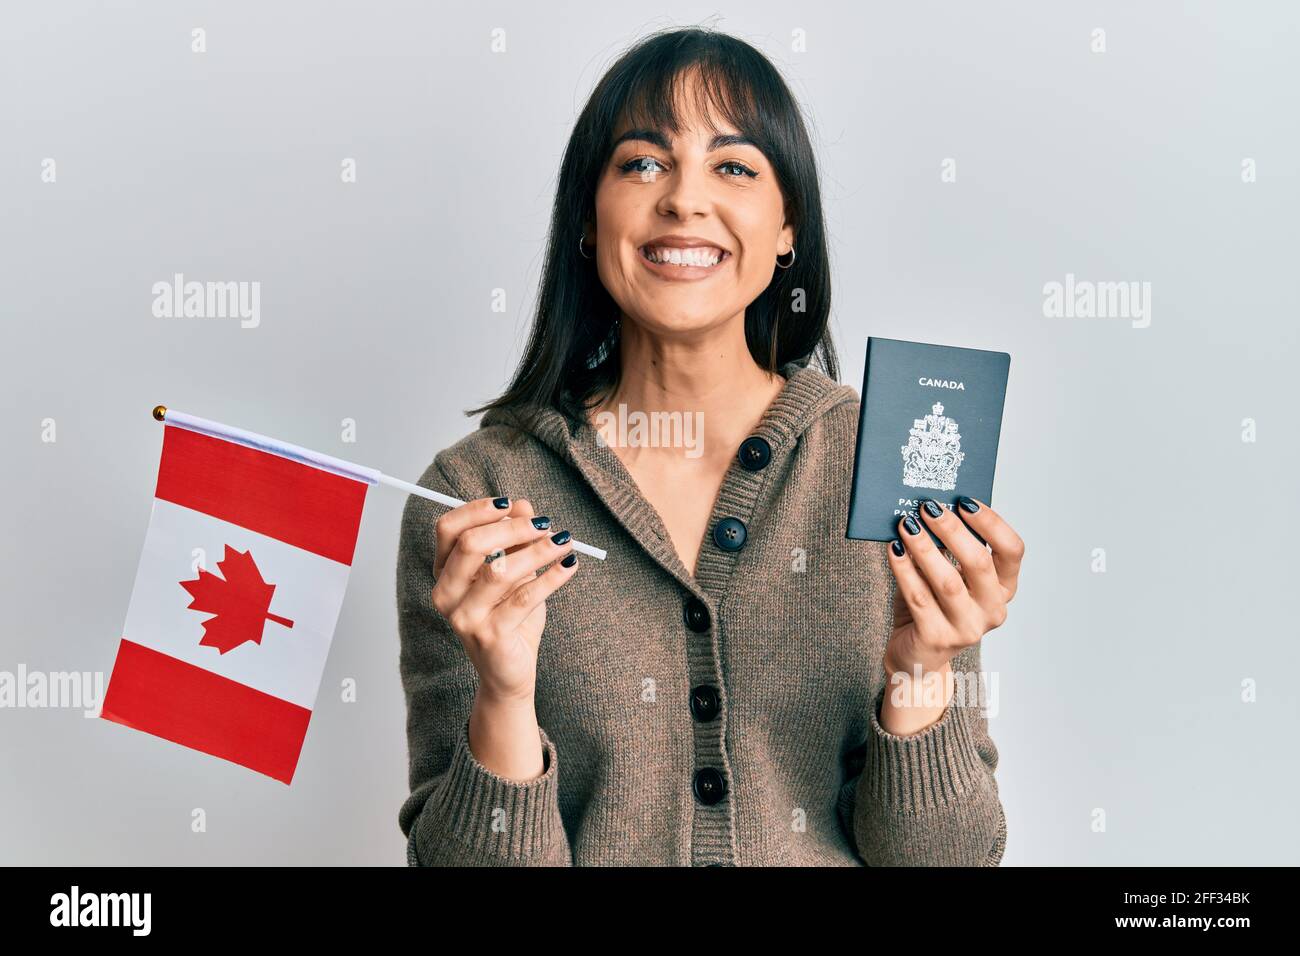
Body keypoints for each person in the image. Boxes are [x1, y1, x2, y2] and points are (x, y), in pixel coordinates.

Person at [397, 26, 1024, 866]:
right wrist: (504, 700)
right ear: (588, 218)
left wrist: (923, 666)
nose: (684, 199)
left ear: (786, 227)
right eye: (642, 163)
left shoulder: (888, 467)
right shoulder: (474, 494)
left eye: (733, 166)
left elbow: (947, 860)